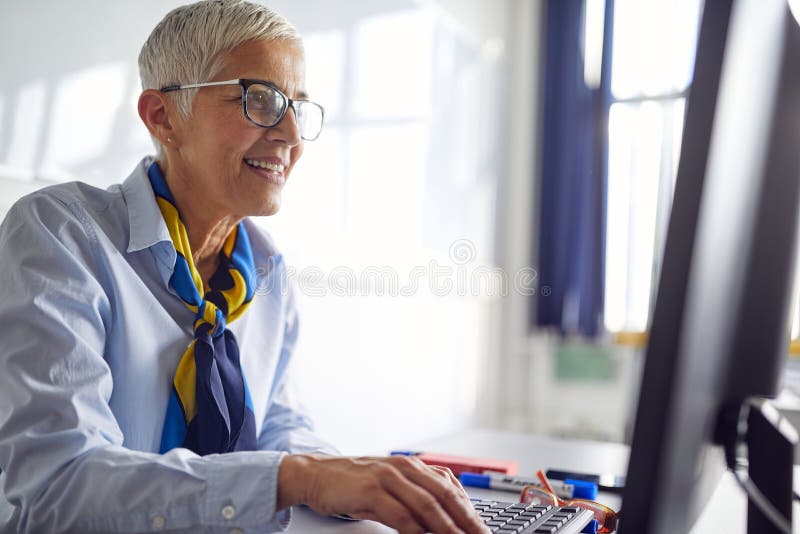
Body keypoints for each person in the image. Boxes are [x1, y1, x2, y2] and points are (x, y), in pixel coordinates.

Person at [0, 1, 489, 533]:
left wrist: (364, 483)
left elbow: (281, 426)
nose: (292, 137)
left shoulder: (265, 267)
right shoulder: (60, 235)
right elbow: (56, 488)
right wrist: (297, 478)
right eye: (259, 99)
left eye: (297, 107)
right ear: (162, 116)